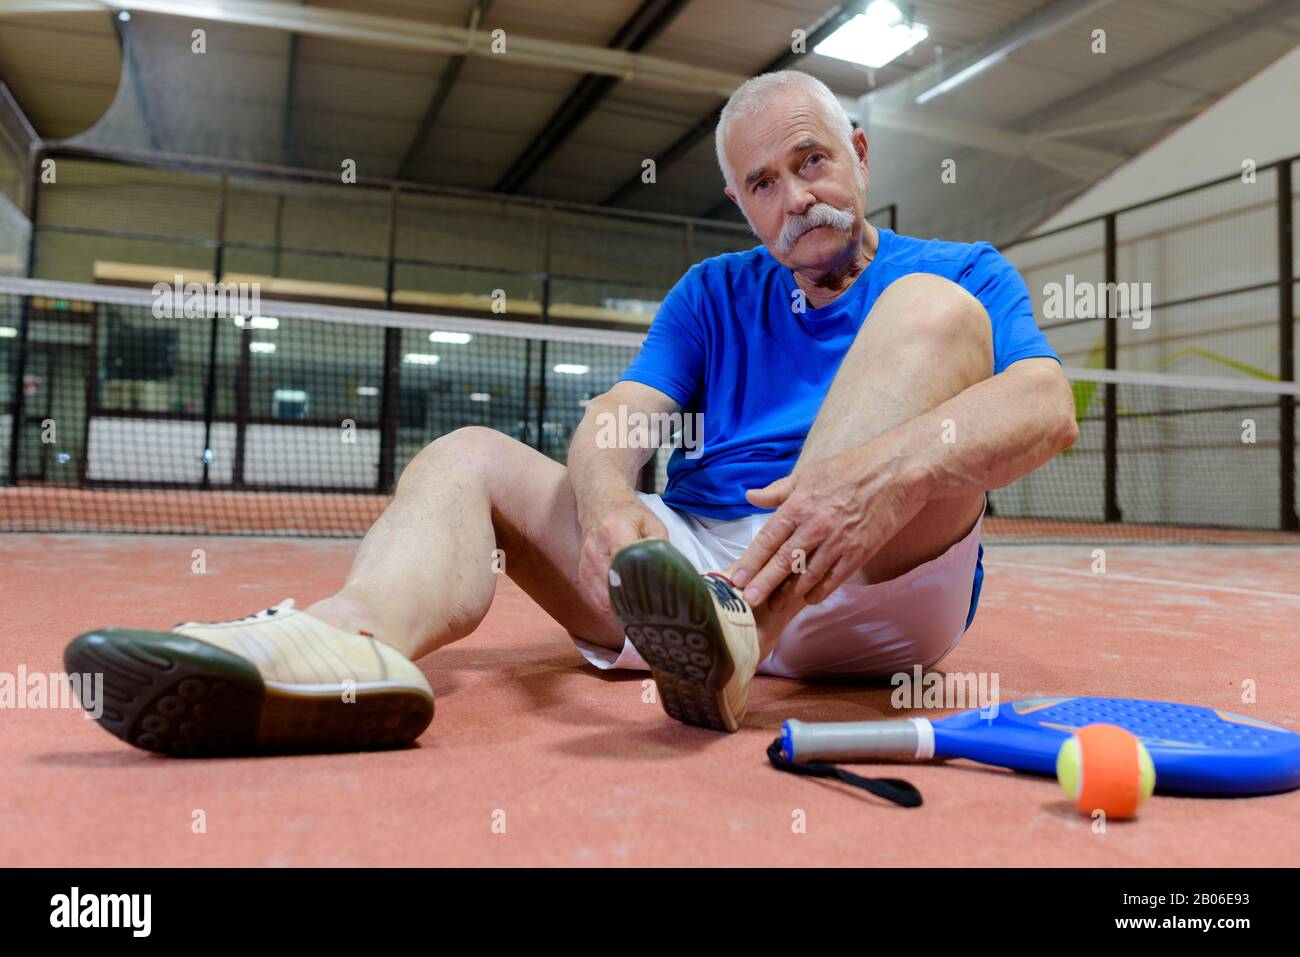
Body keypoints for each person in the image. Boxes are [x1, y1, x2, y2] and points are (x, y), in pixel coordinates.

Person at [66, 69, 1077, 755]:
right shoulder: (710, 291)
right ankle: (343, 646)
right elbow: (622, 412)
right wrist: (605, 510)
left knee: (930, 316)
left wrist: (882, 472)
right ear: (742, 203)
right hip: (687, 577)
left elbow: (1045, 409)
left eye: (811, 161)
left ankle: (742, 638)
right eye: (762, 183)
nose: (795, 196)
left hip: (879, 569)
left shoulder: (959, 271)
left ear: (856, 152)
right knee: (466, 453)